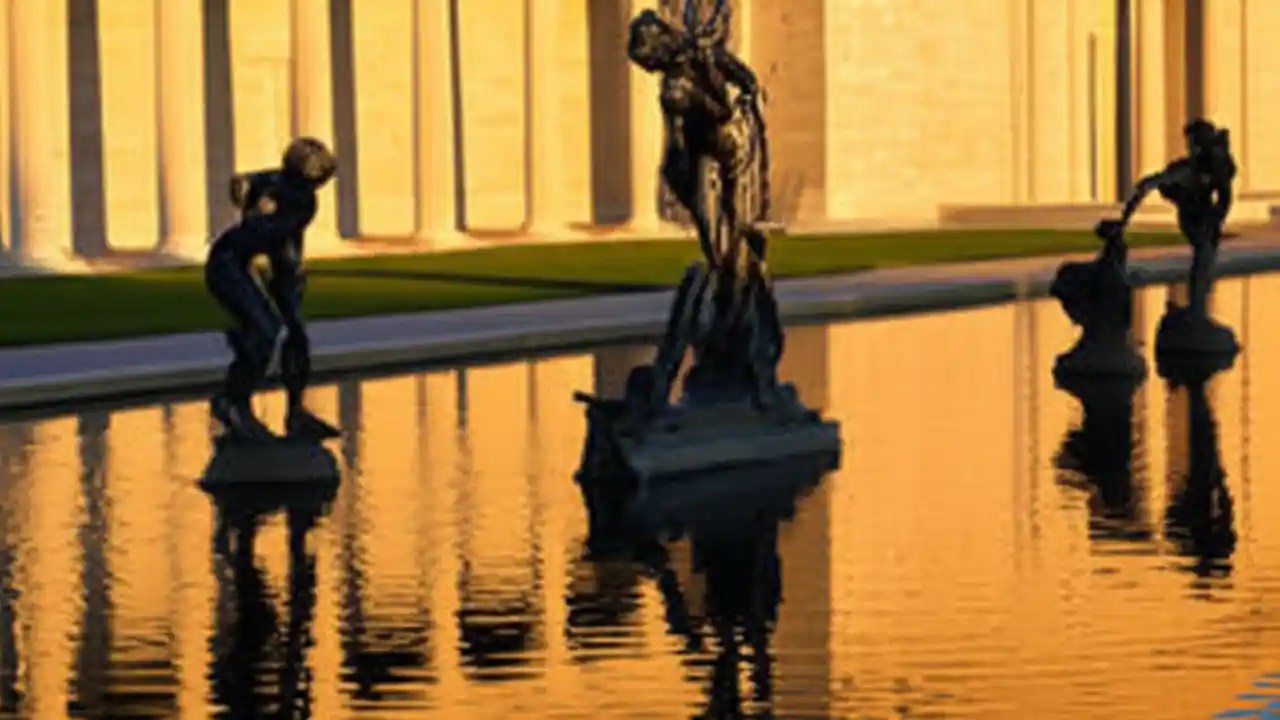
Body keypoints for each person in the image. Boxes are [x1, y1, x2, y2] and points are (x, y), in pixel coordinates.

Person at [205, 137, 341, 441]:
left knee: (296, 332)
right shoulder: (282, 187)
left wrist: (289, 274)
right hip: (228, 263)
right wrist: (252, 203)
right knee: (266, 329)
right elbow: (244, 187)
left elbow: (283, 235)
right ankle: (232, 402)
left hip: (271, 260)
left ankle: (295, 411)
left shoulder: (298, 197)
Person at [1097, 118, 1236, 317]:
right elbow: (1147, 185)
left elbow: (1225, 197)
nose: (1192, 147)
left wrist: (1217, 220)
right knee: (1204, 255)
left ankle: (1197, 307)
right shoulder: (1185, 169)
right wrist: (1124, 219)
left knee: (1205, 257)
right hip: (1192, 212)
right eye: (1191, 143)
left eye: (1195, 142)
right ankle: (1196, 307)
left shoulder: (1218, 165)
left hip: (1204, 212)